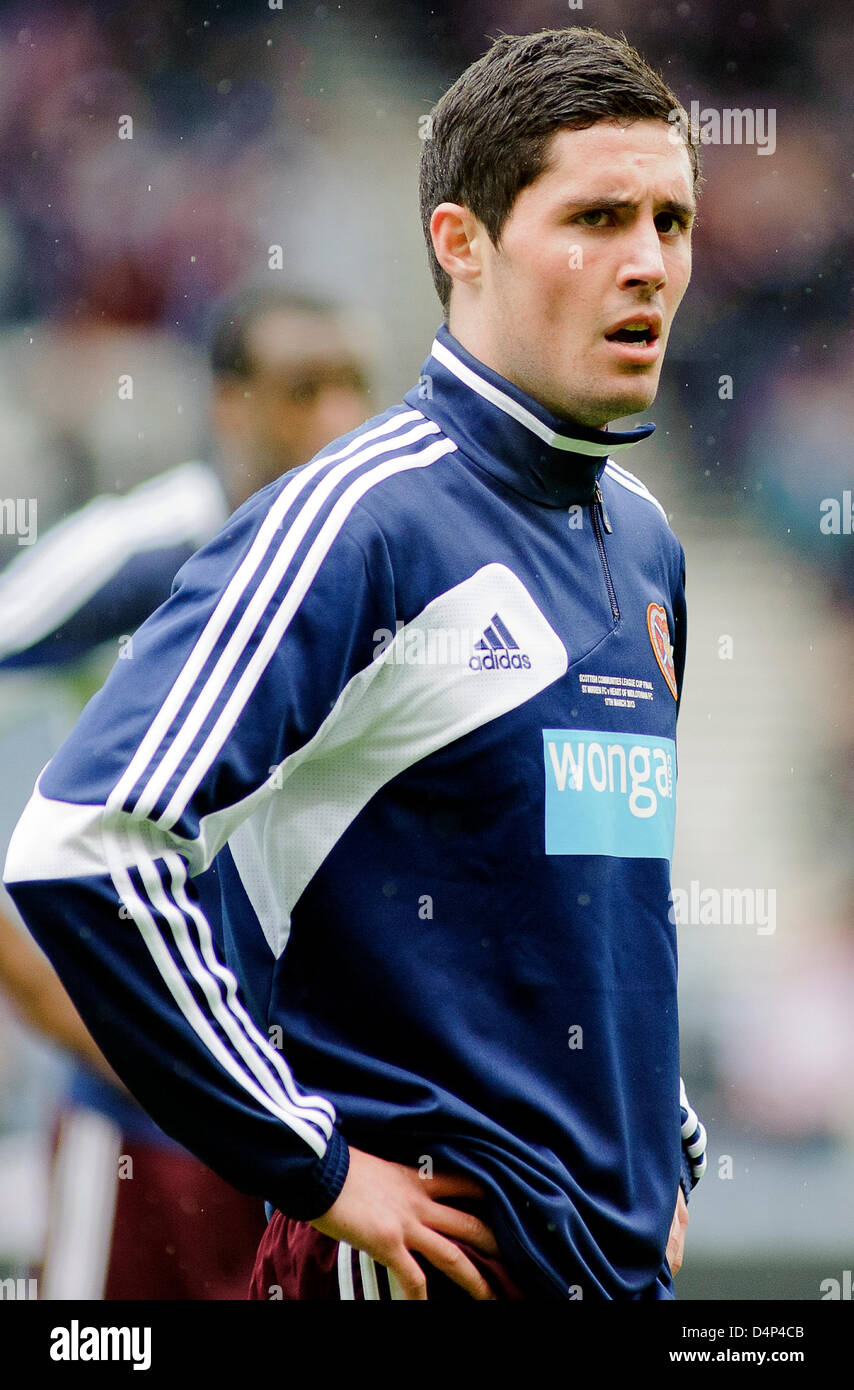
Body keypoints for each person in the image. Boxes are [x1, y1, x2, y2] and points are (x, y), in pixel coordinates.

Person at [4, 27, 707, 1302]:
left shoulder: (646, 540)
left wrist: (666, 1141)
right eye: (596, 216)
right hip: (416, 1264)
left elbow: (606, 896)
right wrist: (315, 1163)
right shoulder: (355, 521)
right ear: (460, 242)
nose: (647, 263)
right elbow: (80, 841)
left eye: (670, 219)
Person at [0, 287, 371, 1297]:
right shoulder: (144, 556)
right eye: (303, 390)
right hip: (142, 1135)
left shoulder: (383, 556)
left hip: (326, 1137)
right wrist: (62, 998)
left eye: (352, 390)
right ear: (230, 405)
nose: (335, 420)